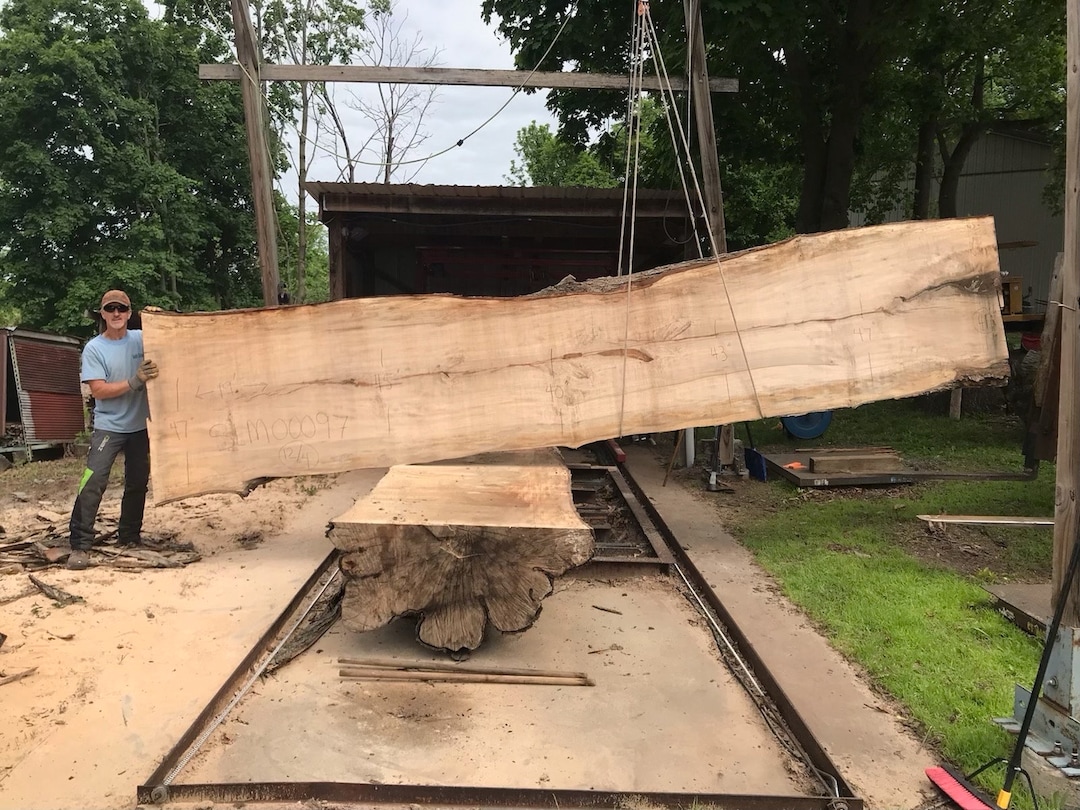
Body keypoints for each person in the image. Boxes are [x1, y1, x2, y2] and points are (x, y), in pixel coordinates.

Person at [67, 290, 159, 570]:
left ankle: (129, 537)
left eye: (122, 308)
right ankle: (80, 545)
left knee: (137, 483)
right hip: (109, 427)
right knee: (93, 481)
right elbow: (99, 390)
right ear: (103, 314)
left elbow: (171, 343)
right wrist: (134, 381)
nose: (117, 313)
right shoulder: (95, 348)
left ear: (130, 314)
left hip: (140, 426)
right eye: (111, 309)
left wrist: (161, 317)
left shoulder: (142, 339)